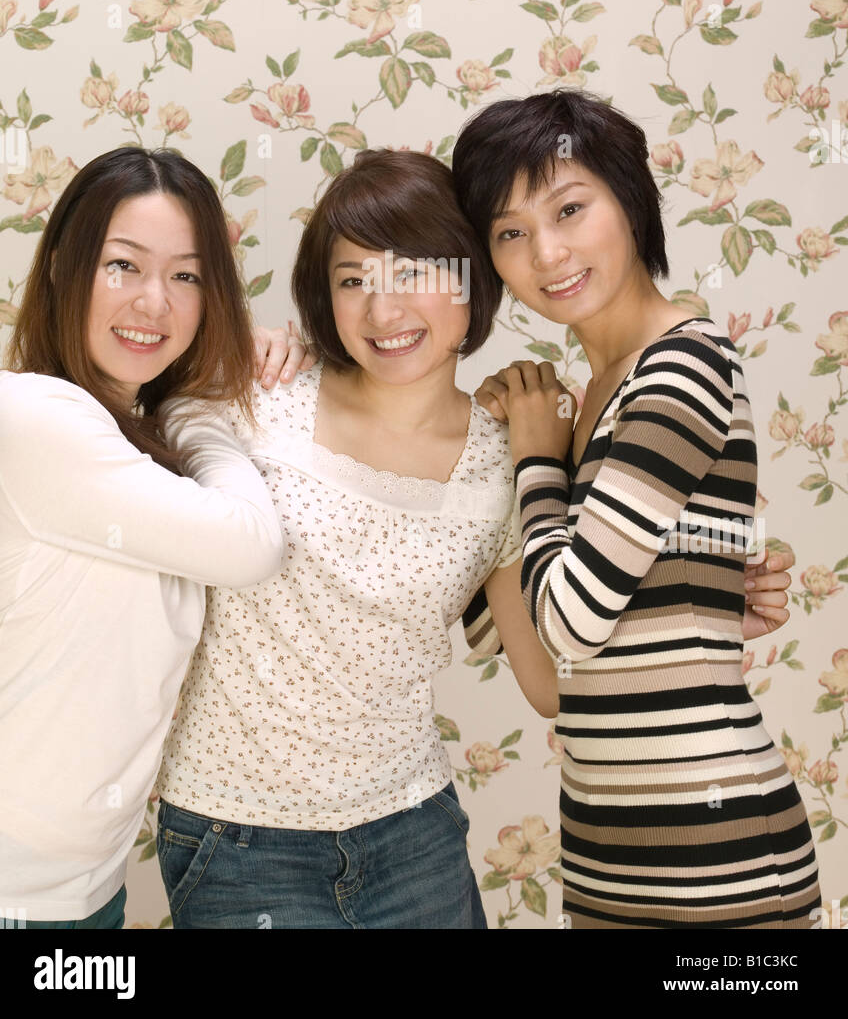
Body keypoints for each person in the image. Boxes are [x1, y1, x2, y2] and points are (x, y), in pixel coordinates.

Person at [154, 150, 560, 930]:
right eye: (353, 281)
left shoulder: (502, 460)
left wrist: (698, 607)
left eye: (413, 272)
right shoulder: (254, 401)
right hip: (237, 838)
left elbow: (545, 685)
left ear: (472, 280)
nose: (382, 310)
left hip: (414, 833)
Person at [449, 88, 820, 928]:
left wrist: (536, 455)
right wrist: (503, 452)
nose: (547, 253)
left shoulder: (682, 368)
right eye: (510, 233)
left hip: (723, 860)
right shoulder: (594, 403)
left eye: (570, 208)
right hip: (604, 859)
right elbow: (545, 679)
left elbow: (569, 622)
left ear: (631, 199)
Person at [0, 147, 285, 929]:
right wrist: (202, 410)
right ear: (61, 270)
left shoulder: (133, 441)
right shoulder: (34, 415)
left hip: (86, 889)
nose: (155, 302)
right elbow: (250, 544)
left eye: (186, 276)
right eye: (123, 265)